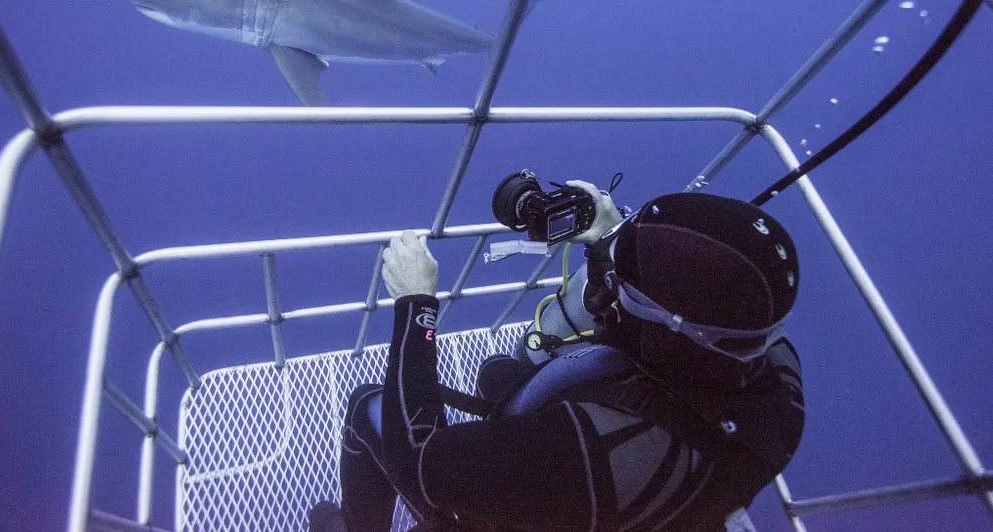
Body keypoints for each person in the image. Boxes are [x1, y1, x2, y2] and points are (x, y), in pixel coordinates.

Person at [311, 182, 804, 532]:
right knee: (498, 373)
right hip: (658, 500)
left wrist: (415, 304)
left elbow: (419, 461)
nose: (608, 286)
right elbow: (657, 327)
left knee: (365, 407)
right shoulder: (777, 379)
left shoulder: (593, 451)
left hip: (551, 494)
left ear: (671, 328)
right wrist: (608, 235)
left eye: (620, 285)